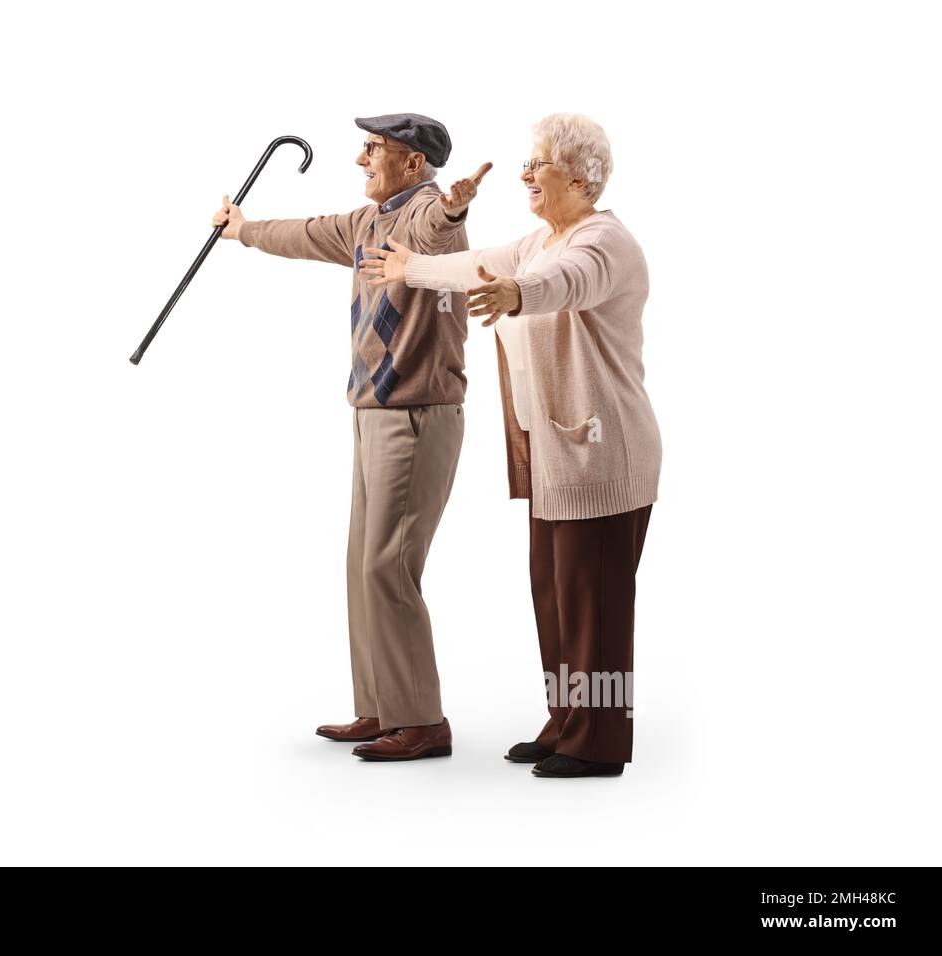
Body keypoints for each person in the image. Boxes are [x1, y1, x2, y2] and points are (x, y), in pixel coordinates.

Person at [358, 113, 660, 777]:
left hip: (604, 457)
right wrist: (413, 266)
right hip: (558, 457)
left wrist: (518, 295)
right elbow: (478, 262)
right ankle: (566, 721)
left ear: (580, 179)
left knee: (596, 606)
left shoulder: (600, 242)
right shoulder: (542, 241)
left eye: (540, 163)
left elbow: (565, 284)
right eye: (527, 160)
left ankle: (598, 742)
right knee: (555, 596)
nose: (526, 173)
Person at [213, 113, 491, 760]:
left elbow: (437, 231)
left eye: (373, 149)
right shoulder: (367, 223)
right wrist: (243, 230)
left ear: (413, 164)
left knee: (386, 564)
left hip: (417, 414)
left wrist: (453, 212)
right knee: (362, 566)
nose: (361, 159)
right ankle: (380, 708)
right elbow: (305, 234)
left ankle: (421, 720)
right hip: (373, 410)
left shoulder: (425, 215)